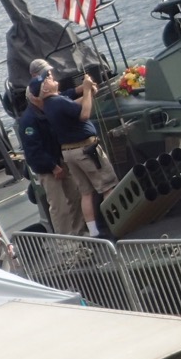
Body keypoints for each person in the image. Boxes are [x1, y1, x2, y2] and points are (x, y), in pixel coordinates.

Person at [39, 70, 118, 238]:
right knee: (108, 186)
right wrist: (88, 89)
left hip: (69, 152)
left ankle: (94, 231)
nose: (50, 78)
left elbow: (77, 105)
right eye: (46, 80)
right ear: (44, 90)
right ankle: (117, 223)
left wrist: (88, 92)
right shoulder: (58, 101)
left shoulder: (51, 104)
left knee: (86, 192)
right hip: (85, 150)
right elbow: (84, 114)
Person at [18, 66, 86, 237]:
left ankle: (79, 232)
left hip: (61, 159)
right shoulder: (29, 121)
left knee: (75, 197)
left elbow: (65, 97)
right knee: (59, 206)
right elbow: (34, 151)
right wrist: (53, 167)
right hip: (48, 168)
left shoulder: (48, 105)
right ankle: (66, 242)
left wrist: (83, 89)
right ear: (34, 97)